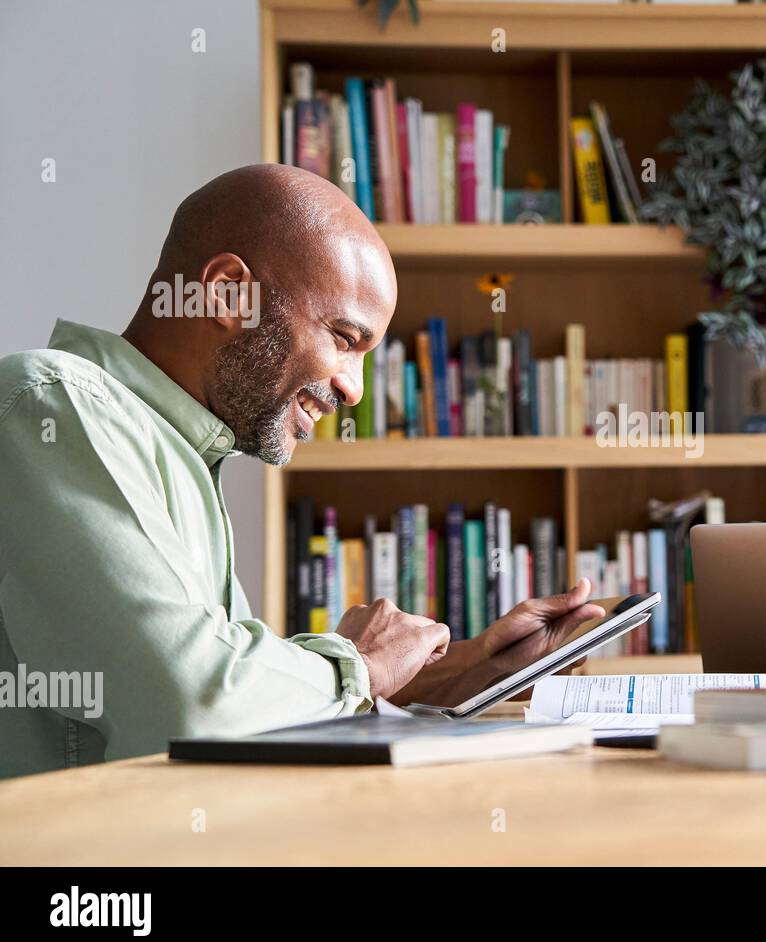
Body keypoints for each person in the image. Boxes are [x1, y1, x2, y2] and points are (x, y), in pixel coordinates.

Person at [0, 164, 602, 778]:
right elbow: (195, 704)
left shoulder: (178, 450)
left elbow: (240, 693)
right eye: (344, 338)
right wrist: (357, 667)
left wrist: (470, 668)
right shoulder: (51, 404)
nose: (354, 390)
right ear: (228, 293)